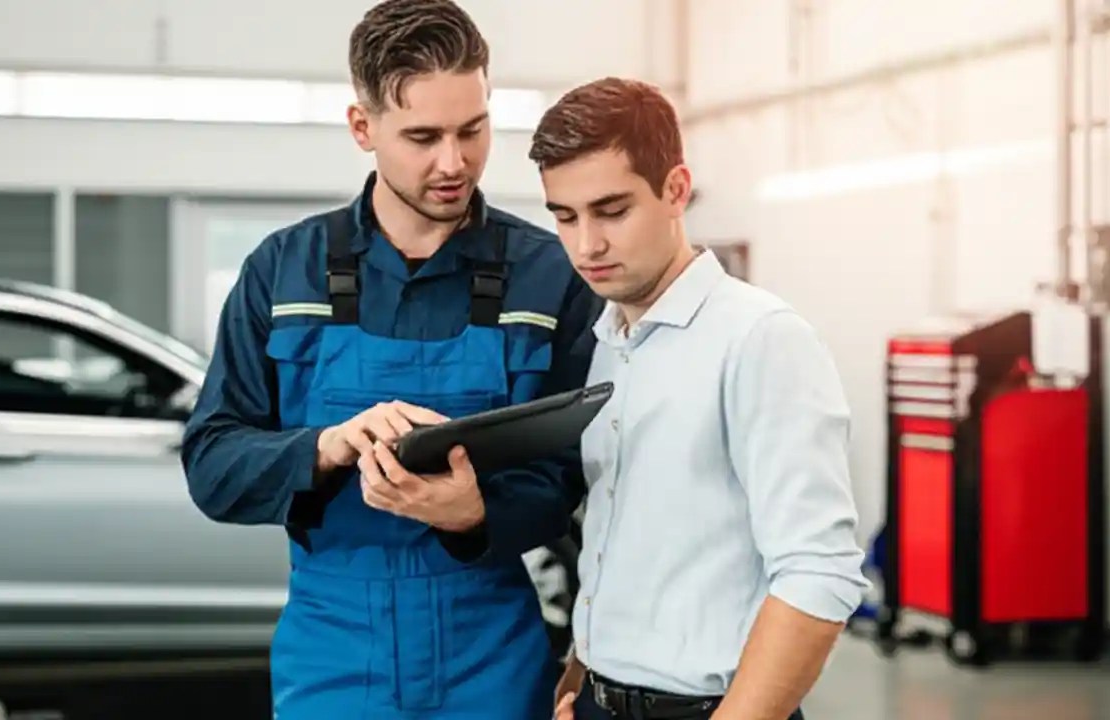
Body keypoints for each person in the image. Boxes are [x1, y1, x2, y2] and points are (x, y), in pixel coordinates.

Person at [180, 1, 601, 718]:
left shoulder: (548, 276)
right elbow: (214, 465)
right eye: (423, 136)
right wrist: (325, 447)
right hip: (335, 652)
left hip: (492, 653)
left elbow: (580, 474)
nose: (454, 161)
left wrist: (477, 513)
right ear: (362, 128)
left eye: (473, 130)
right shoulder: (284, 273)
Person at [529, 78, 870, 720]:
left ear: (676, 190)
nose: (586, 245)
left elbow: (819, 573)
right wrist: (580, 674)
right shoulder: (608, 343)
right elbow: (618, 540)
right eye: (565, 216)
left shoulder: (760, 339)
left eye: (612, 210)